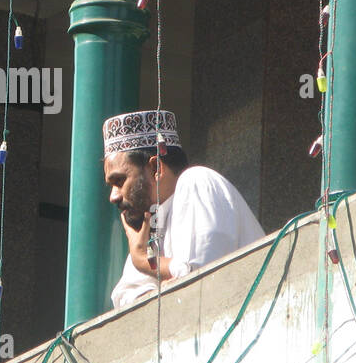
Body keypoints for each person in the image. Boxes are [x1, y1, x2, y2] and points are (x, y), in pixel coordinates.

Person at [103, 109, 265, 310]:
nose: (114, 196)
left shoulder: (196, 181)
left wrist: (146, 261)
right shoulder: (152, 227)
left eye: (119, 181)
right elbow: (127, 301)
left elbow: (200, 283)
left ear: (156, 169)